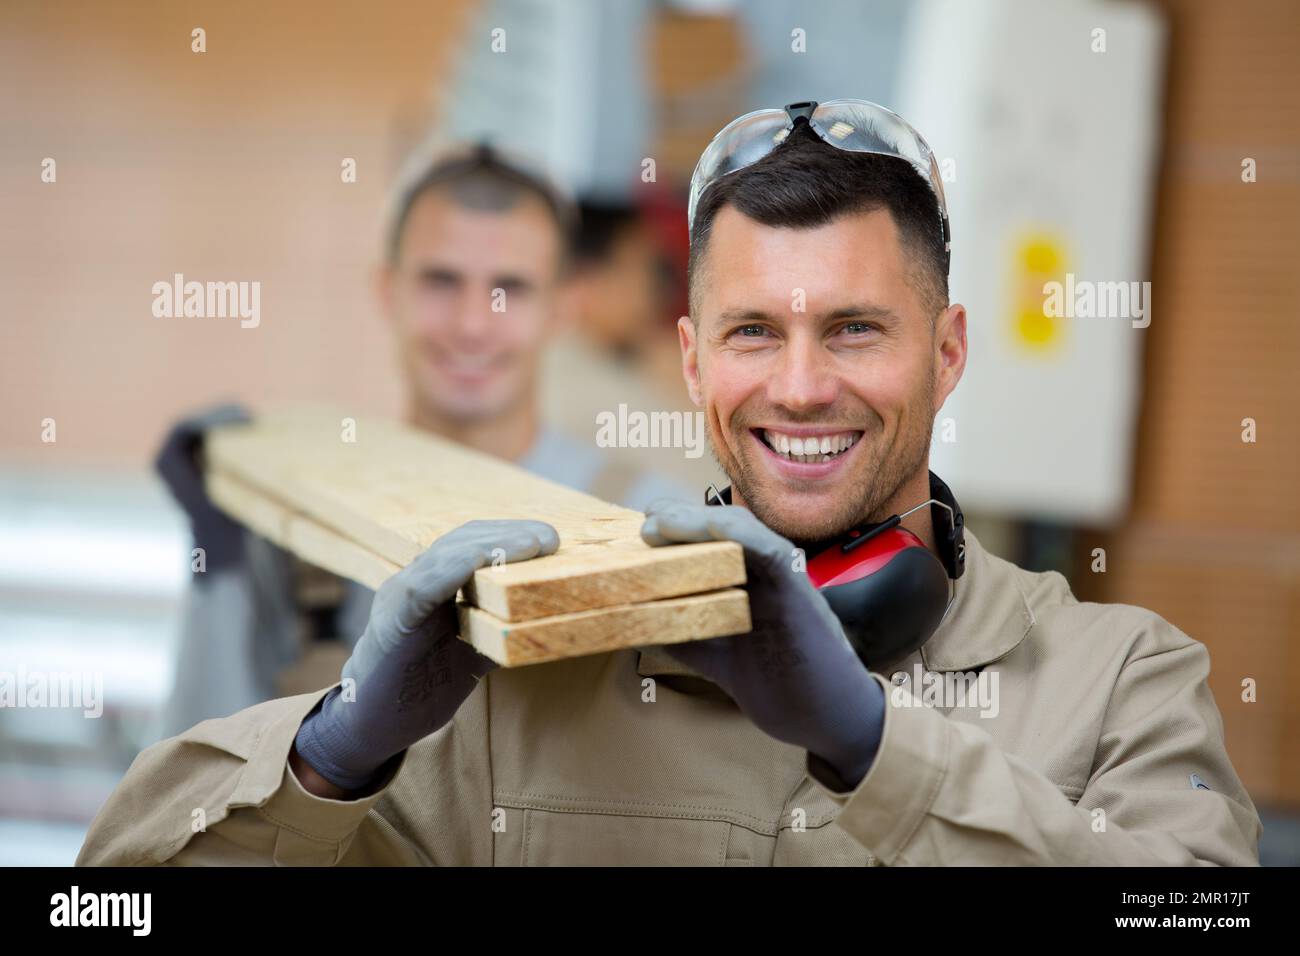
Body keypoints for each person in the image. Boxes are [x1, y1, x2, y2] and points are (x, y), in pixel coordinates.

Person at [81, 101, 1260, 866]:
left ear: (946, 349)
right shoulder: (533, 661)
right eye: (752, 332)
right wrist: (331, 753)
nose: (800, 387)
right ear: (693, 358)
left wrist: (873, 747)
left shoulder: (1123, 682)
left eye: (855, 328)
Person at [155, 143, 693, 737]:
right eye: (441, 281)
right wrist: (219, 555)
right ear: (388, 291)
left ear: (563, 308)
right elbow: (197, 773)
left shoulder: (649, 521)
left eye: (508, 288)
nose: (471, 324)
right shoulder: (303, 516)